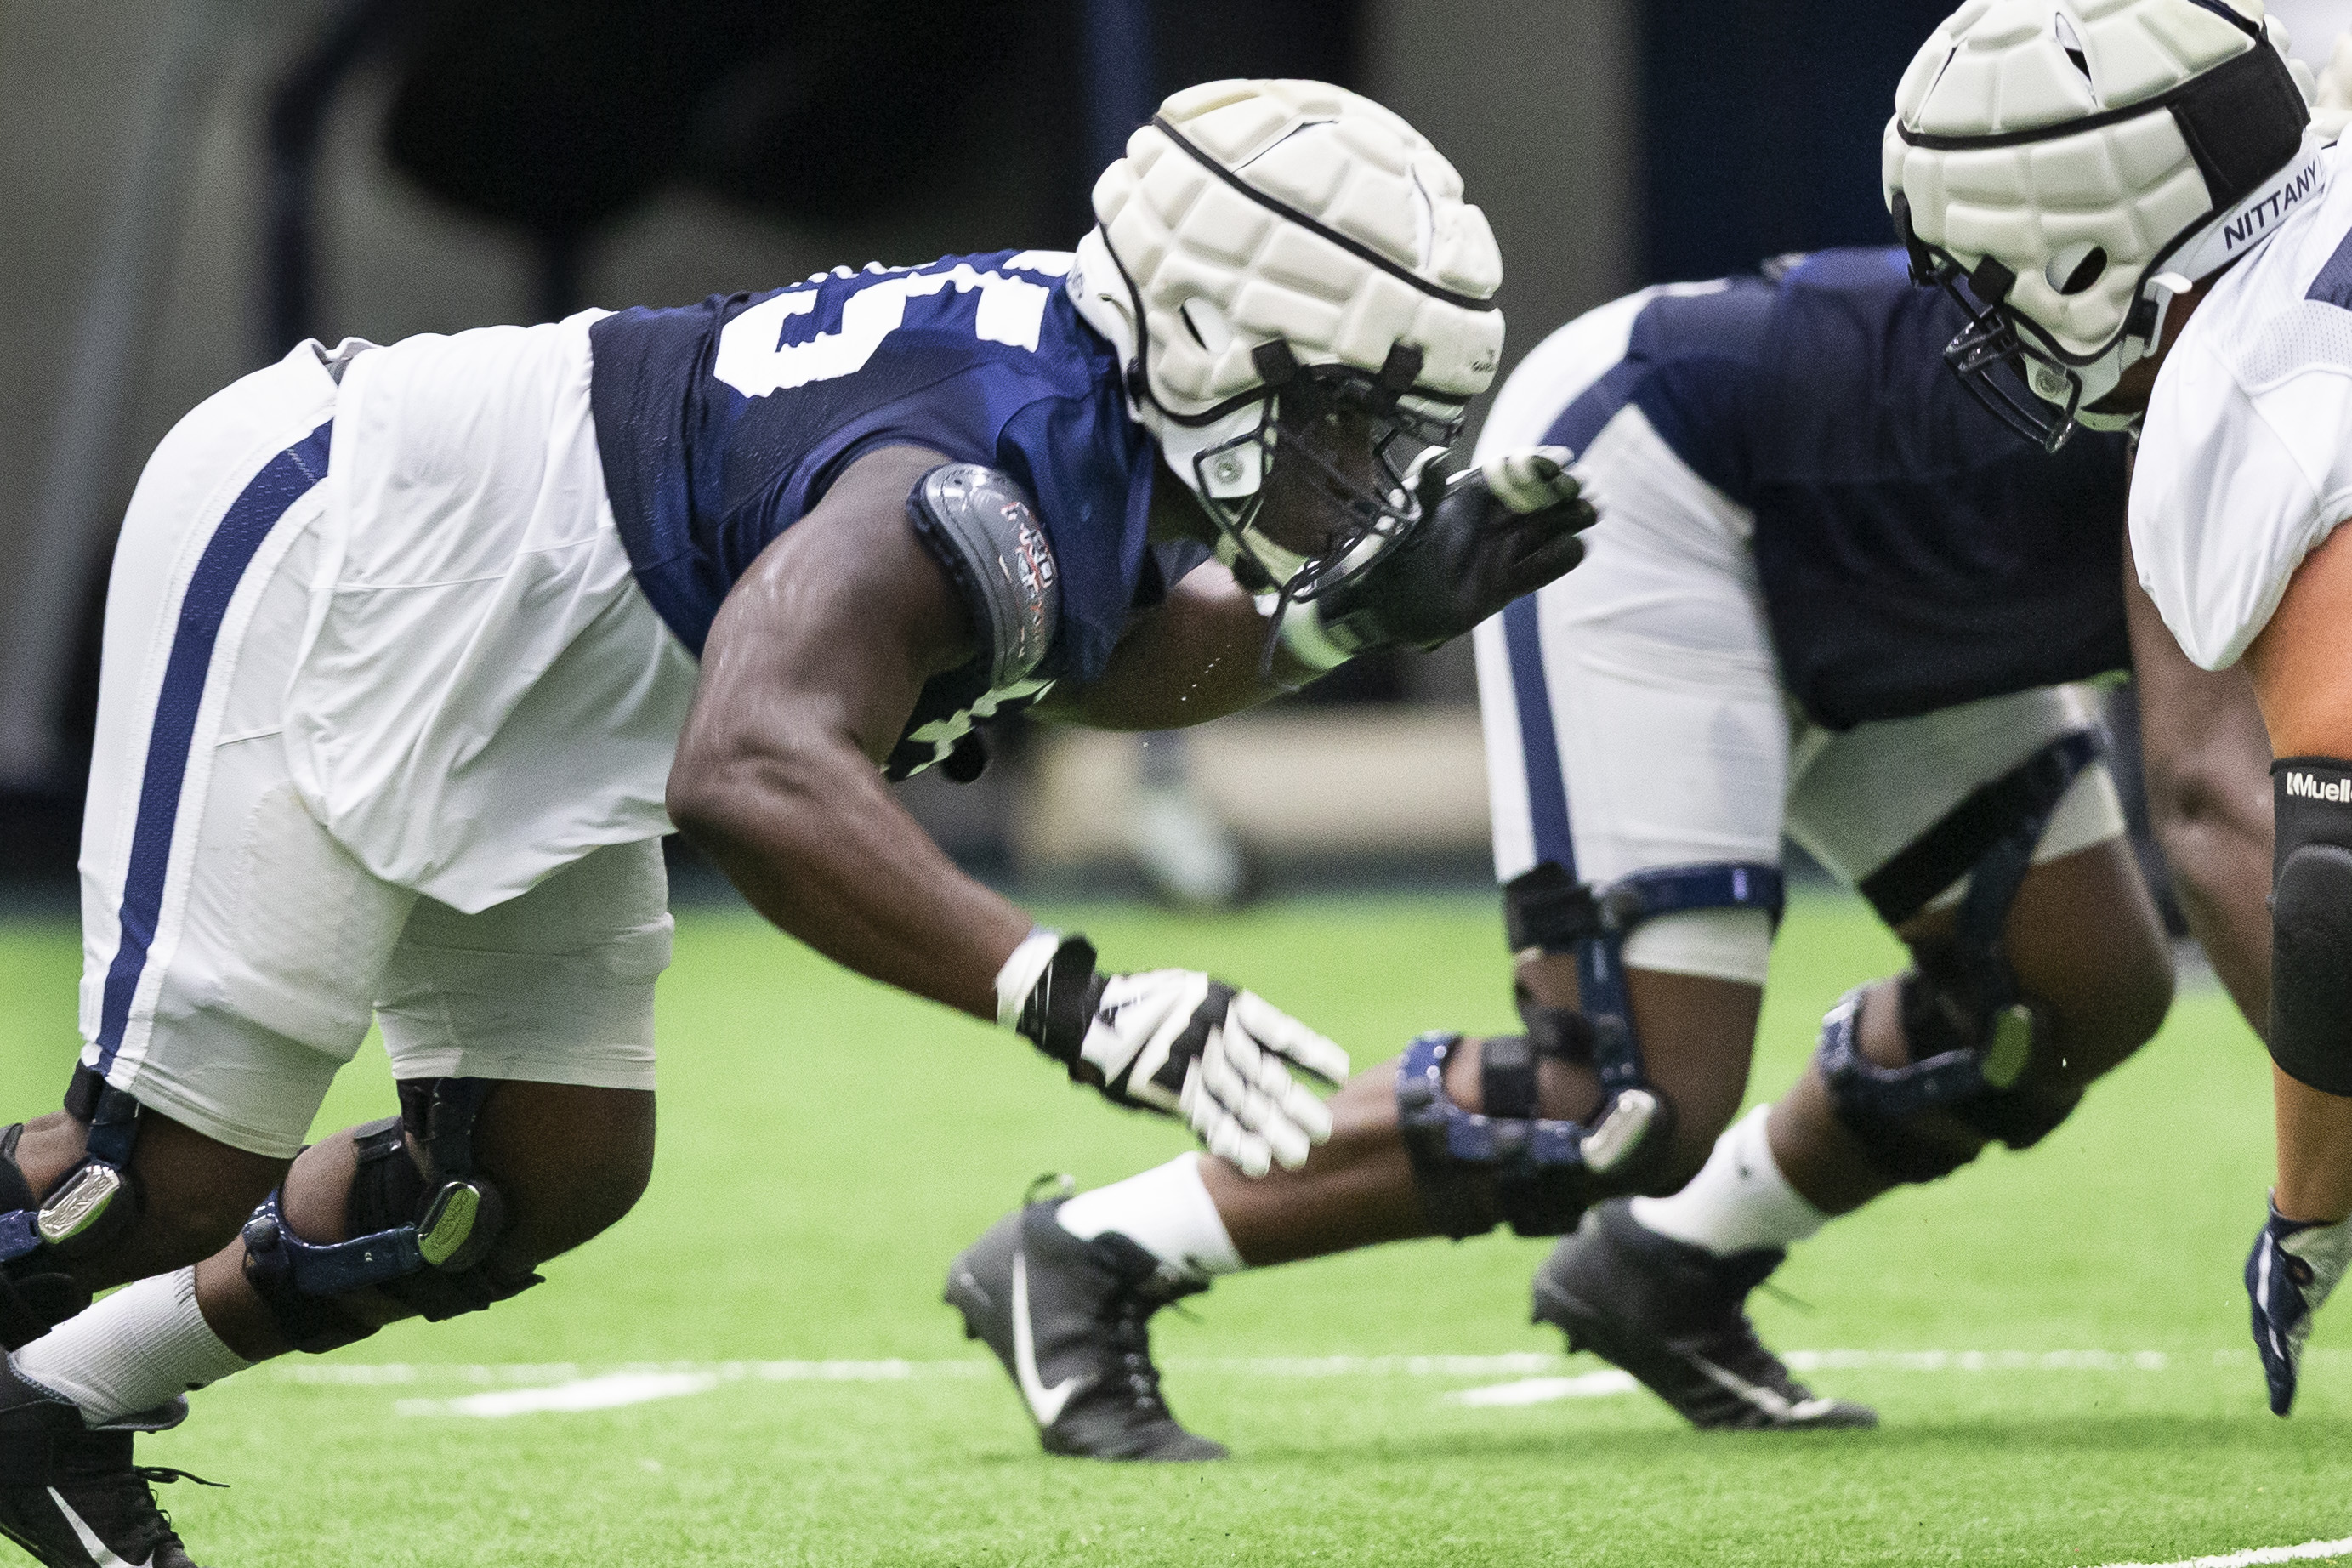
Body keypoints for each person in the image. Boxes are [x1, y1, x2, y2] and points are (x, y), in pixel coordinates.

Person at [0, 78, 1594, 1566]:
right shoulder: (979, 454)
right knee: (144, 1186)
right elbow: (753, 769)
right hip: (357, 557)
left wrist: (1324, 629)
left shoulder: (1085, 414)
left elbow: (1074, 643)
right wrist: (1076, 998)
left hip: (565, 663)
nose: (1365, 467)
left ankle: (55, 1400)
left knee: (523, 1180)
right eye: (1340, 414)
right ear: (1200, 332)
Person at [945, 230, 2287, 1457]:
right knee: (1625, 1098)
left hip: (1905, 568)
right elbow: (2215, 798)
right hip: (1664, 480)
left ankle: (1667, 1268)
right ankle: (1086, 1249)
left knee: (2071, 990)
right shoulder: (2269, 372)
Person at [1883, 0, 2352, 1418]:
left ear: (2087, 243)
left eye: (1990, 267)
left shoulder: (2262, 399)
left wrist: (2308, 1204)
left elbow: (2332, 878)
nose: (1983, 308)